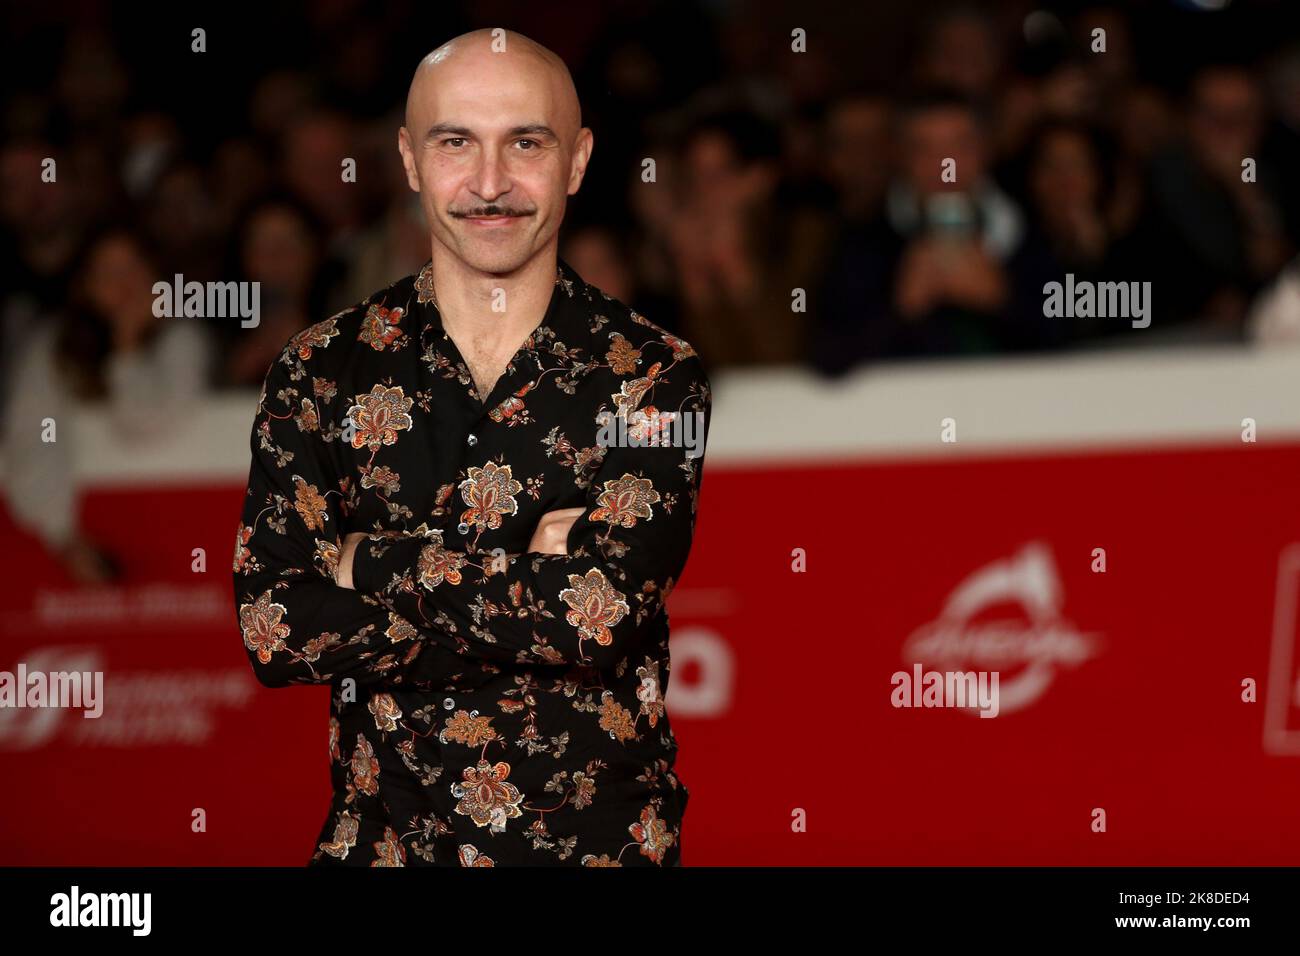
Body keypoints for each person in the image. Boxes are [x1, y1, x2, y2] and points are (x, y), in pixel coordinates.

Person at [233, 28, 710, 867]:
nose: (490, 185)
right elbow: (277, 628)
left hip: (594, 847)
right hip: (379, 846)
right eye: (457, 143)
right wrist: (526, 577)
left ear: (578, 160)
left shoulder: (652, 375)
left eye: (526, 142)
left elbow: (593, 620)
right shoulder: (317, 370)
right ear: (411, 161)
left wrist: (371, 563)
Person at [2, 227, 212, 583]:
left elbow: (145, 426)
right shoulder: (54, 345)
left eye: (133, 269)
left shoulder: (182, 337)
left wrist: (126, 346)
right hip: (73, 538)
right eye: (108, 273)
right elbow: (33, 432)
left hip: (175, 530)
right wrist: (61, 532)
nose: (124, 285)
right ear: (85, 286)